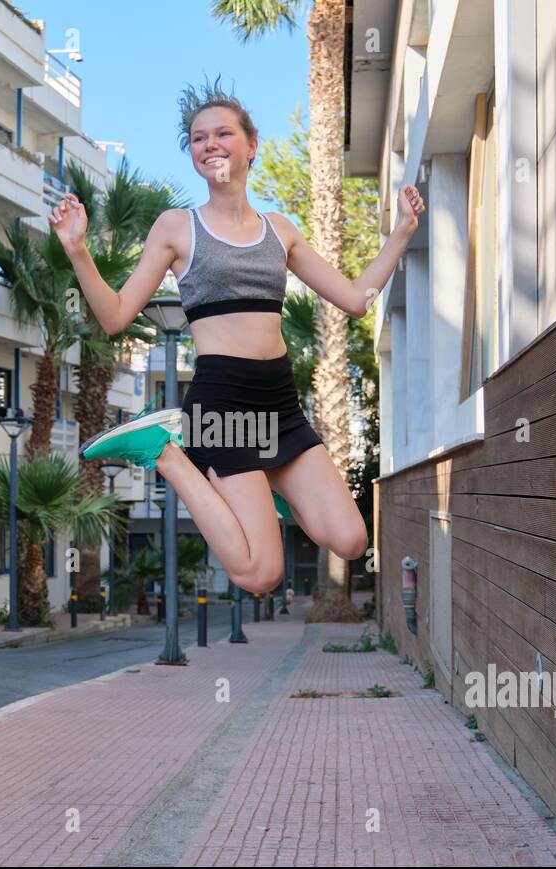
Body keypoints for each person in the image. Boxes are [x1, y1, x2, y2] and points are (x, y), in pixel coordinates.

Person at [59, 79, 424, 596]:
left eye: (222, 133)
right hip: (224, 404)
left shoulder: (281, 230)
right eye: (198, 137)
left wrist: (403, 231)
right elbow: (116, 316)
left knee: (348, 539)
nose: (209, 144)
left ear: (252, 146)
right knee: (260, 575)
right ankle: (165, 451)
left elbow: (355, 298)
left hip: (281, 402)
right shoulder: (176, 228)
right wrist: (78, 250)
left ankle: (266, 483)